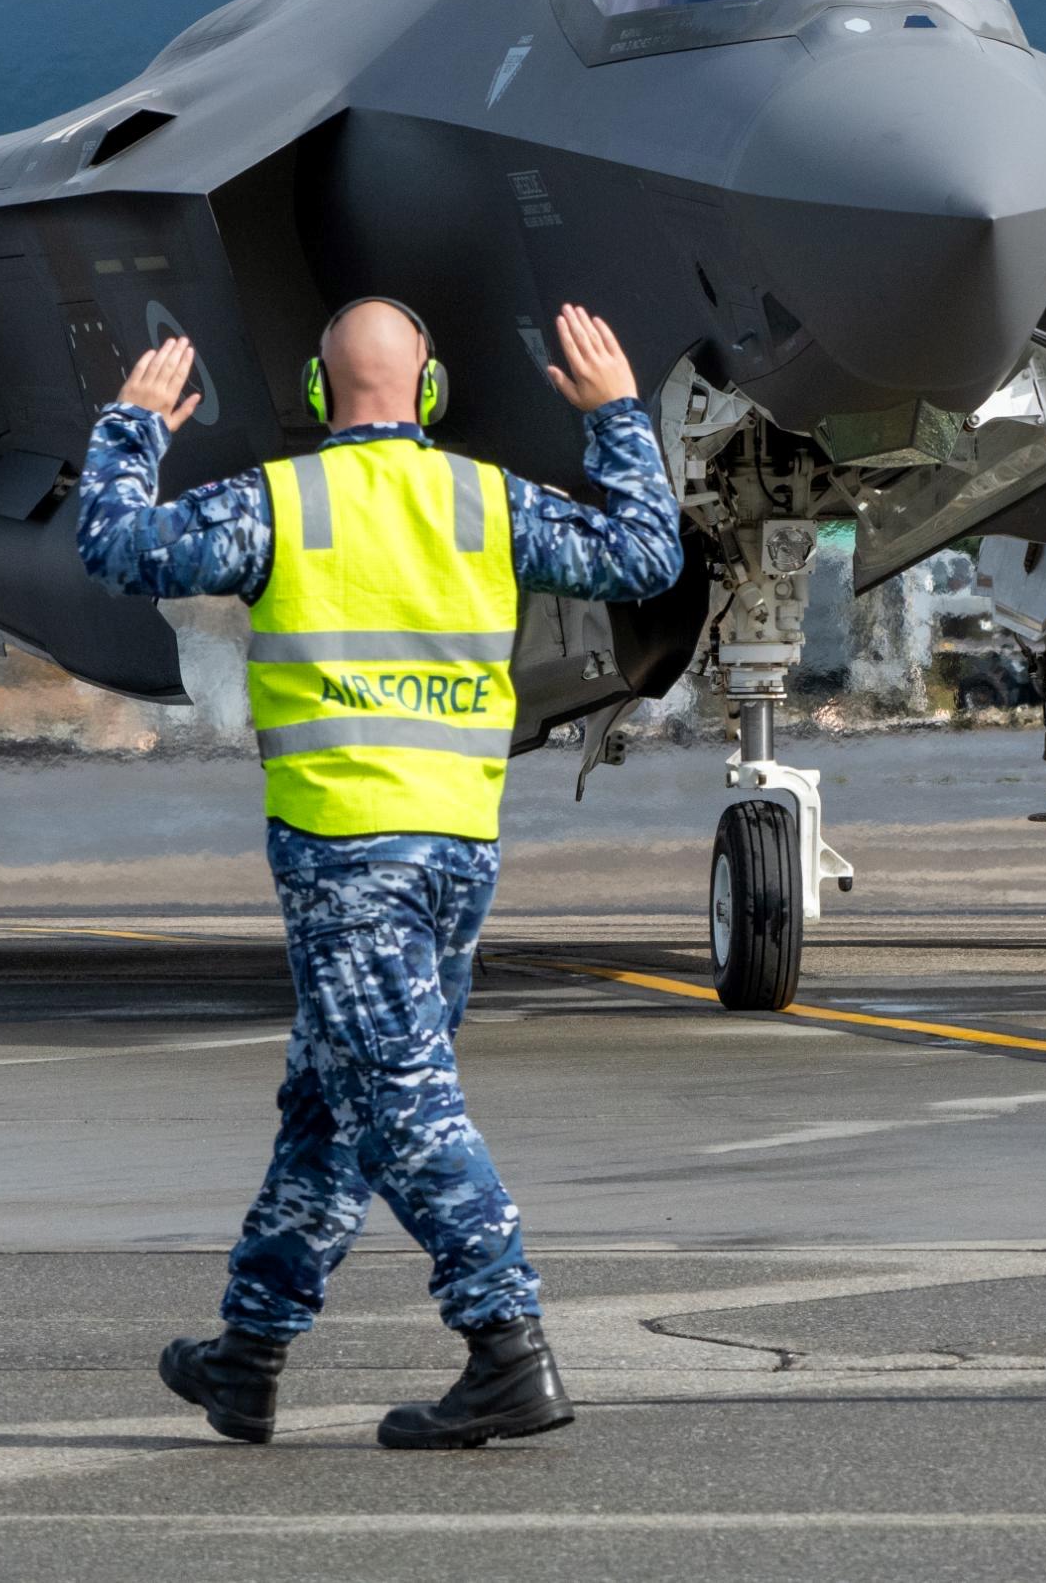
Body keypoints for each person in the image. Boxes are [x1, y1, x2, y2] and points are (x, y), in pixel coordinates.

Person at [78, 295, 682, 1449]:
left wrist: (131, 426)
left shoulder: (276, 504)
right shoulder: (487, 500)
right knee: (334, 1103)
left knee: (400, 1099)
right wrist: (614, 414)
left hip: (347, 853)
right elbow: (645, 553)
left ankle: (507, 1343)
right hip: (457, 843)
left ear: (314, 395)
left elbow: (115, 545)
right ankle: (247, 1354)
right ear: (433, 389)